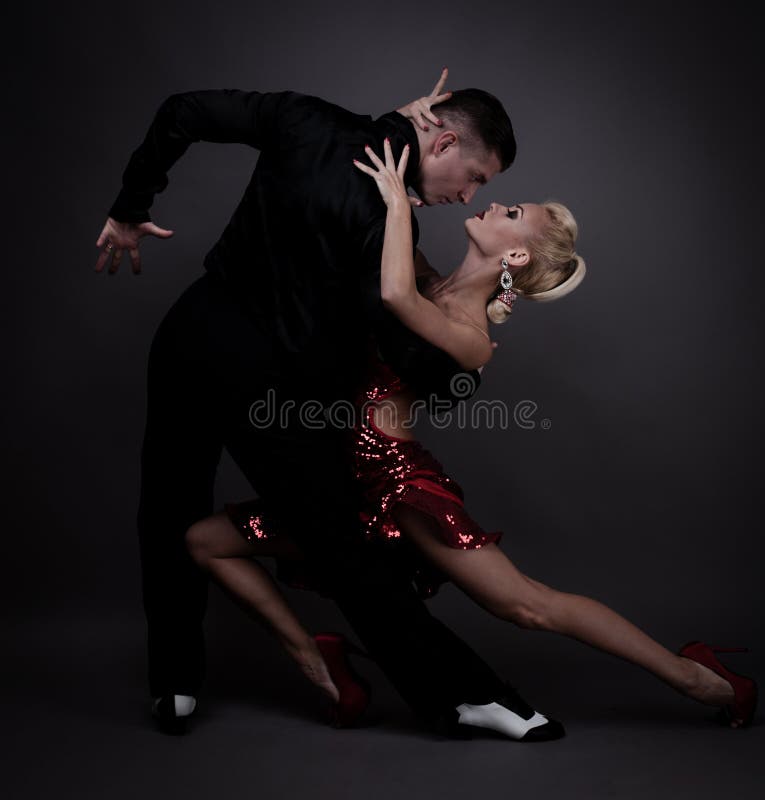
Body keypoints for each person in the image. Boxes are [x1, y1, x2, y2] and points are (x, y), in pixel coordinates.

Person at [185, 140, 757, 731]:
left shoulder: (472, 335)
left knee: (525, 605)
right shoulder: (430, 278)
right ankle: (317, 661)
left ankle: (699, 678)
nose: (497, 204)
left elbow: (394, 294)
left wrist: (397, 205)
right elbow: (381, 254)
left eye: (513, 213)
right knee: (205, 542)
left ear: (516, 253)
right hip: (332, 477)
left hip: (396, 485)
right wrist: (399, 170)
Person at [95, 70, 565, 741]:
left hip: (191, 333)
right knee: (344, 546)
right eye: (475, 177)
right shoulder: (384, 219)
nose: (468, 195)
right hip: (272, 389)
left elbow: (183, 110)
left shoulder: (305, 117)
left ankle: (173, 684)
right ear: (442, 142)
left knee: (168, 502)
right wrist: (469, 361)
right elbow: (404, 347)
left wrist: (129, 207)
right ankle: (467, 697)